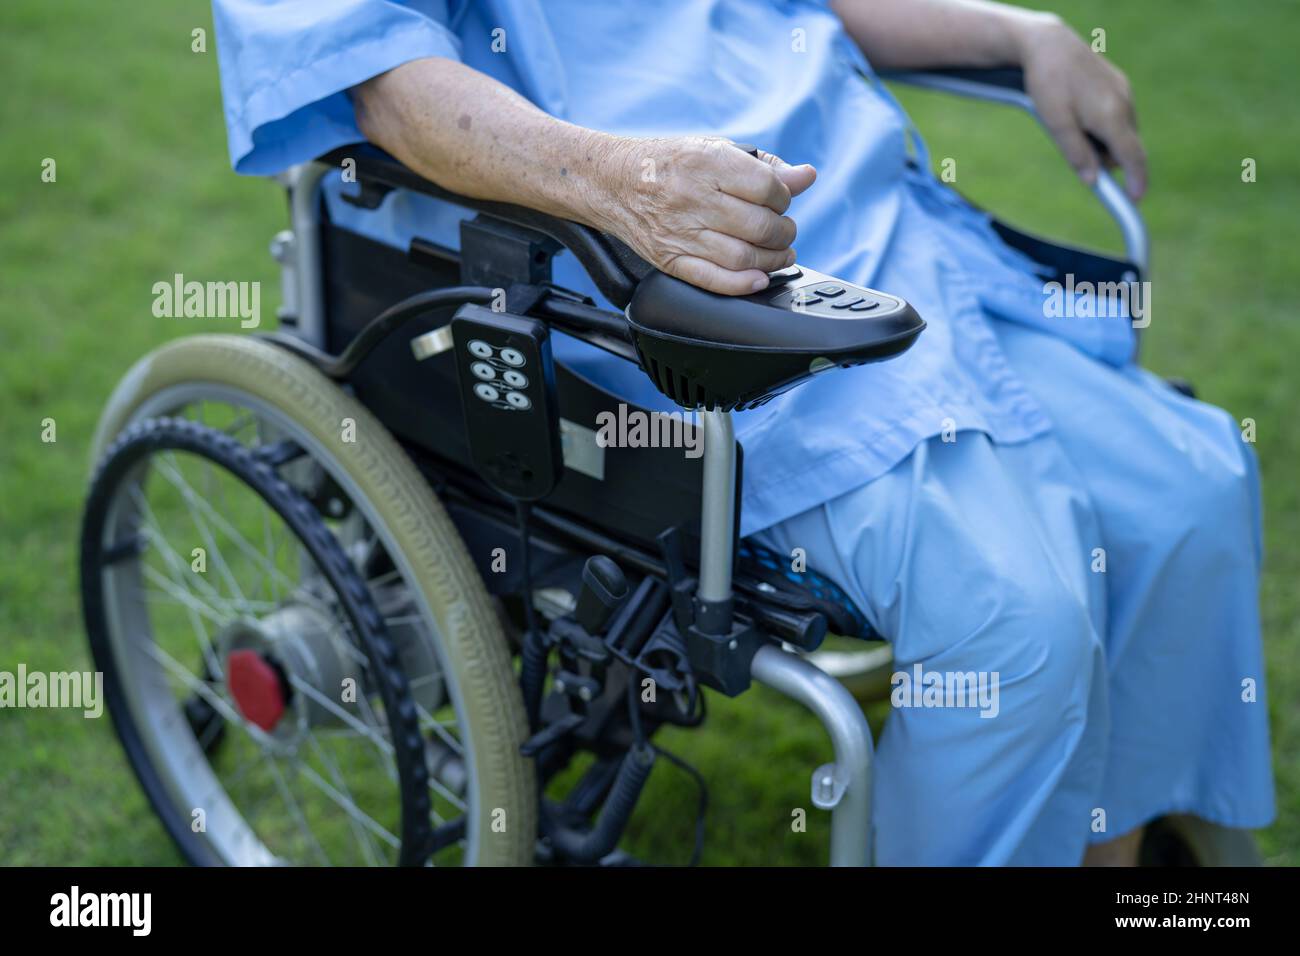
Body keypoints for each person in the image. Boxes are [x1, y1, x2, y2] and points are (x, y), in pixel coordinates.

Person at [211, 0, 1274, 865]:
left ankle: (1118, 845)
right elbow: (391, 90)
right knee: (1014, 615)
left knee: (1191, 491)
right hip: (652, 314)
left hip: (893, 246)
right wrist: (622, 185)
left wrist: (1018, 33)